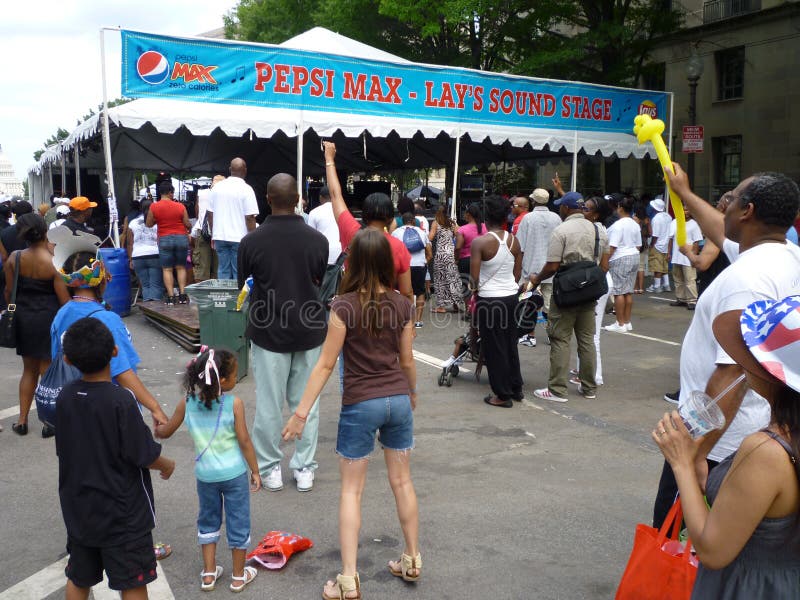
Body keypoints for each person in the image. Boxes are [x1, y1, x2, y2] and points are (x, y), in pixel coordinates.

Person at [651, 166, 800, 529]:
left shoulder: (746, 281)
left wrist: (697, 452)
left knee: (675, 540)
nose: (725, 205)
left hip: (720, 442)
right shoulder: (784, 255)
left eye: (731, 199)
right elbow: (721, 229)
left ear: (747, 212)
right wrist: (684, 193)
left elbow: (732, 374)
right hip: (751, 430)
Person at [281, 228, 420, 600]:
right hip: (397, 400)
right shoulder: (404, 305)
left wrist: (301, 413)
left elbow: (325, 365)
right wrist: (413, 392)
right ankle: (411, 559)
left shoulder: (343, 306)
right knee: (402, 483)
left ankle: (347, 579)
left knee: (351, 492)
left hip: (361, 404)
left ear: (354, 262)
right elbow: (406, 360)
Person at [653, 295, 800, 598]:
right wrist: (702, 474)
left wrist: (680, 462)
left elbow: (712, 550)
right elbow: (757, 509)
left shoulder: (766, 450)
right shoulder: (788, 437)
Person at [56, 317, 175, 600]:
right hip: (123, 516)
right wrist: (166, 464)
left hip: (79, 509)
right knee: (132, 581)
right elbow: (143, 453)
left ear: (68, 360)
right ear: (115, 352)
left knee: (79, 576)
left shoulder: (65, 397)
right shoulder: (120, 401)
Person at [237, 173, 328, 493]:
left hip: (267, 330)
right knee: (307, 405)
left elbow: (243, 285)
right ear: (299, 200)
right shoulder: (318, 241)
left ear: (268, 199)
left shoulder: (250, 241)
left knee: (268, 405)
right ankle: (304, 467)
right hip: (310, 330)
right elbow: (318, 278)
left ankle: (269, 466)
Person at [155, 348, 261, 593]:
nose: (237, 379)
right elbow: (244, 441)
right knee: (238, 522)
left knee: (208, 520)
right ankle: (237, 576)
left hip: (205, 477)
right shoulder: (234, 404)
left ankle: (209, 575)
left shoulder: (187, 403)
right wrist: (255, 470)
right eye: (234, 375)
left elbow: (167, 430)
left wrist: (158, 429)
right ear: (222, 380)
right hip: (234, 475)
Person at [48, 226, 169, 428]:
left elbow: (56, 360)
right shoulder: (108, 320)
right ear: (103, 278)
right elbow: (122, 372)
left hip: (76, 412)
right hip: (111, 413)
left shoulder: (61, 315)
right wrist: (155, 407)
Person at [530, 191, 610, 402]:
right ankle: (589, 388)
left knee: (560, 338)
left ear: (566, 208)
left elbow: (553, 266)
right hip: (590, 292)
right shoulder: (598, 230)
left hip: (565, 292)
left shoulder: (561, 230)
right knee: (587, 340)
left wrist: (536, 279)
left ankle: (557, 390)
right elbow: (604, 265)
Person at [323, 142, 413, 301]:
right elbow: (406, 292)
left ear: (363, 216)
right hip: (386, 313)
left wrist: (329, 159)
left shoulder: (352, 233)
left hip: (353, 311)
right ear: (391, 218)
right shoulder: (399, 247)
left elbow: (335, 195)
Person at [6, 214, 70, 437]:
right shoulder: (53, 260)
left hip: (24, 318)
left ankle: (22, 421)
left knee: (28, 371)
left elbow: (8, 293)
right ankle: (48, 421)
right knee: (47, 371)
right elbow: (64, 300)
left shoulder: (14, 258)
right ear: (45, 230)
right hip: (48, 318)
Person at [469, 195, 524, 408]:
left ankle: (502, 395)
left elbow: (474, 279)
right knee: (510, 343)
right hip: (510, 296)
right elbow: (517, 273)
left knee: (494, 347)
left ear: (485, 217)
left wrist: (473, 293)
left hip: (489, 300)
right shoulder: (514, 240)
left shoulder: (480, 242)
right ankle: (515, 387)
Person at [570, 195, 614, 387]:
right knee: (584, 330)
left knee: (591, 333)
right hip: (594, 281)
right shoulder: (592, 228)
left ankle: (594, 375)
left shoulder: (597, 231)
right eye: (581, 207)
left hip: (595, 282)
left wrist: (590, 286)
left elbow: (604, 265)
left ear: (596, 215)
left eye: (586, 209)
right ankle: (583, 369)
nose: (582, 210)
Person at [516, 187, 562, 347]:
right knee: (550, 303)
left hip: (531, 268)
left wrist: (517, 269)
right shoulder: (556, 218)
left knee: (527, 301)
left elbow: (519, 246)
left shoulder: (528, 219)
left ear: (533, 201)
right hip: (551, 267)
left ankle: (530, 335)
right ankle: (551, 335)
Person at [208, 158, 259, 280]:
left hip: (220, 236)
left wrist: (213, 234)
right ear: (245, 170)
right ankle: (238, 299)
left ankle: (224, 298)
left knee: (223, 270)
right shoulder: (247, 189)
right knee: (239, 272)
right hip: (240, 238)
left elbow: (210, 215)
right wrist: (252, 240)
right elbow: (250, 218)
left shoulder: (216, 188)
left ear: (230, 170)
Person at [147, 181, 191, 305]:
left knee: (167, 269)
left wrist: (159, 220)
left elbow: (149, 224)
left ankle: (171, 297)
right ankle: (182, 296)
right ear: (170, 192)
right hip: (181, 238)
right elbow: (187, 223)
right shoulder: (180, 206)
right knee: (181, 267)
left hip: (164, 239)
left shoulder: (154, 207)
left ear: (160, 193)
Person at [603, 196, 642, 332]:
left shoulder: (618, 225)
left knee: (619, 291)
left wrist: (605, 261)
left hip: (620, 257)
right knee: (628, 291)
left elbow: (612, 246)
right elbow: (638, 245)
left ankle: (619, 324)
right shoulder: (635, 224)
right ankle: (626, 321)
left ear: (620, 208)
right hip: (634, 256)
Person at [392, 212, 431, 328]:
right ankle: (418, 321)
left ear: (402, 222)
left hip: (403, 267)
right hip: (419, 266)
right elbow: (429, 253)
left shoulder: (396, 232)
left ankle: (404, 319)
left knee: (401, 292)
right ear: (413, 221)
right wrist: (424, 263)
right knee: (419, 292)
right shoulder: (421, 232)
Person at [667, 206, 703, 310]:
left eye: (687, 210)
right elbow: (670, 239)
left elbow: (696, 242)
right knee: (678, 279)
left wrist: (694, 256)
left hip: (688, 257)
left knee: (690, 279)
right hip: (676, 256)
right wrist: (669, 253)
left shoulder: (694, 224)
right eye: (683, 209)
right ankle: (681, 298)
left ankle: (692, 300)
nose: (685, 212)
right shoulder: (674, 222)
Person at [127, 200, 164, 302]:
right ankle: (156, 310)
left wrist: (130, 259)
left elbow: (130, 243)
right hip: (155, 255)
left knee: (145, 285)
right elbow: (160, 240)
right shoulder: (158, 221)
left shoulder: (132, 223)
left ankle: (148, 308)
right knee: (156, 284)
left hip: (137, 257)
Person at [428, 206, 462, 313]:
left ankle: (441, 307)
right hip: (451, 254)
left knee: (440, 280)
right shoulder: (452, 223)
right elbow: (460, 234)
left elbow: (430, 238)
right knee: (453, 279)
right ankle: (456, 304)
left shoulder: (436, 223)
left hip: (441, 254)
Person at [192, 175, 223, 282]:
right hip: (221, 234)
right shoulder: (226, 195)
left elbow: (197, 215)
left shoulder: (202, 193)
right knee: (219, 267)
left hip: (203, 232)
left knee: (202, 267)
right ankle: (217, 294)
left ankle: (201, 296)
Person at [307, 184, 343, 266]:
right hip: (341, 253)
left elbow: (310, 237)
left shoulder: (314, 212)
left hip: (322, 253)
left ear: (320, 197)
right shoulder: (341, 212)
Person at [646, 197, 673, 293]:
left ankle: (656, 286)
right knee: (664, 266)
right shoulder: (668, 216)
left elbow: (655, 235)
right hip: (666, 244)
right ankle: (667, 285)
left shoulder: (656, 219)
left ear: (654, 208)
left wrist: (651, 245)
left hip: (657, 245)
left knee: (657, 266)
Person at [455, 203, 487, 277]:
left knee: (467, 284)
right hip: (482, 259)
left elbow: (458, 247)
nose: (464, 216)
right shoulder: (485, 227)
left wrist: (456, 259)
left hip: (466, 261)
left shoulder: (462, 229)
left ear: (468, 214)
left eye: (465, 214)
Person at [632, 198, 650, 294]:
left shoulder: (634, 219)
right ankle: (641, 288)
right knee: (641, 267)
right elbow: (650, 233)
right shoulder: (647, 219)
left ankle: (635, 287)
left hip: (635, 244)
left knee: (635, 267)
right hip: (644, 244)